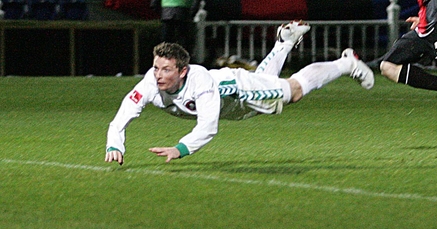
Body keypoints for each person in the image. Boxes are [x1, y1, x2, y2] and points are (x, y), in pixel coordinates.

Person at [105, 22, 374, 165]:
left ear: (183, 71)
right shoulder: (150, 85)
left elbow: (208, 126)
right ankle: (284, 43)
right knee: (274, 85)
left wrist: (180, 149)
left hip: (236, 88)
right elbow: (123, 116)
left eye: (166, 69)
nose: (158, 75)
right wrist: (114, 143)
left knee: (293, 92)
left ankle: (346, 63)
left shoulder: (200, 83)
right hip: (233, 108)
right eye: (156, 68)